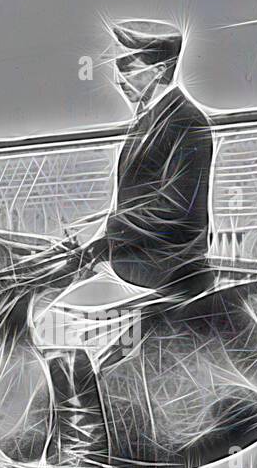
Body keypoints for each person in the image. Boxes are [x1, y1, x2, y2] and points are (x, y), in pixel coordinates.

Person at [82, 19, 215, 299]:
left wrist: (108, 231)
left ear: (158, 71)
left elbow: (178, 208)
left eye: (127, 67)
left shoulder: (187, 121)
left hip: (166, 270)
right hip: (138, 264)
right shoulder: (147, 120)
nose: (118, 78)